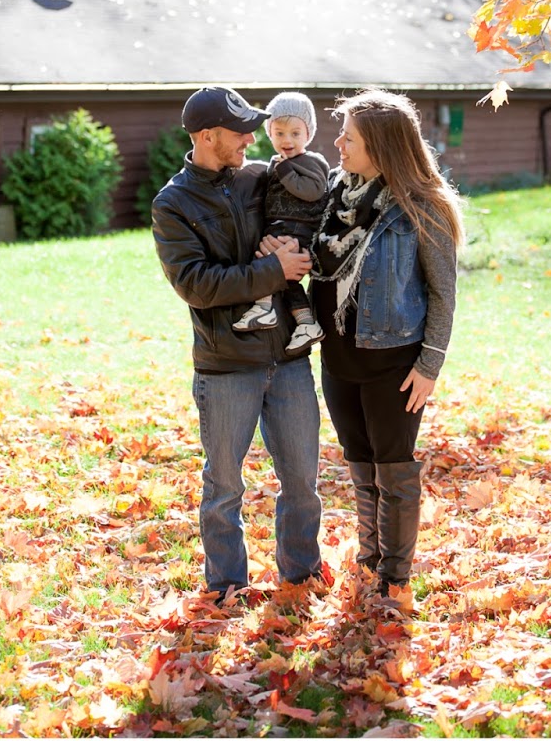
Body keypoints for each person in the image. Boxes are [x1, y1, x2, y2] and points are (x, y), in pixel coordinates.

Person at [151, 86, 322, 600]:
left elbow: (307, 210)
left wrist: (297, 247)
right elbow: (197, 285)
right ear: (206, 137)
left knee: (303, 486)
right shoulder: (173, 203)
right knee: (224, 489)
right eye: (240, 130)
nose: (253, 138)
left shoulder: (259, 177)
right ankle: (226, 587)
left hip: (289, 355)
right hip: (226, 366)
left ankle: (302, 577)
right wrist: (273, 270)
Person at [292, 89, 463, 601]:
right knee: (359, 461)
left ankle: (395, 577)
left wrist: (430, 364)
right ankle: (369, 559)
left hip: (396, 363)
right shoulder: (336, 197)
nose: (338, 143)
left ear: (382, 146)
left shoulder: (421, 206)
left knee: (394, 465)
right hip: (339, 356)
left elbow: (443, 292)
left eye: (349, 136)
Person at [234, 92, 330, 353]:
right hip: (280, 227)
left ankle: (264, 308)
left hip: (299, 227)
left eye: (295, 133)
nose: (287, 140)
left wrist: (284, 169)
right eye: (279, 133)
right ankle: (306, 323)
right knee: (287, 283)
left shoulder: (312, 161)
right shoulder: (276, 163)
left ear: (308, 134)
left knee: (268, 263)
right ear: (270, 134)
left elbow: (313, 191)